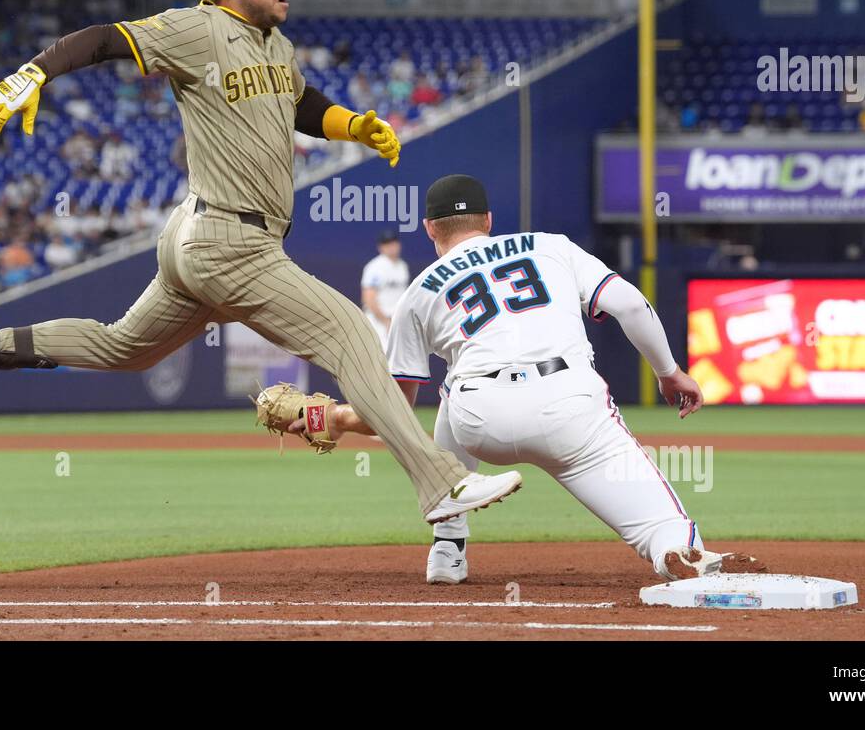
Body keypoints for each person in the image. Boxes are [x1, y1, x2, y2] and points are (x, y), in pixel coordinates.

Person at [0, 0, 521, 526]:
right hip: (231, 239)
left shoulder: (277, 44)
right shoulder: (197, 29)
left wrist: (349, 125)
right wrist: (35, 71)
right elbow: (103, 38)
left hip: (201, 239)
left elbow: (299, 102)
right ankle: (440, 483)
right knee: (351, 335)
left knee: (122, 347)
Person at [290, 174, 764, 584]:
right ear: (489, 221)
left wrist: (336, 417)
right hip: (570, 409)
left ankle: (447, 546)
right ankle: (671, 548)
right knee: (662, 528)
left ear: (430, 228)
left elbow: (392, 413)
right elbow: (631, 305)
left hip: (481, 420)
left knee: (454, 386)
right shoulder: (550, 245)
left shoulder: (419, 291)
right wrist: (669, 373)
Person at [360, 230, 409, 343]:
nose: (391, 247)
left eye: (393, 243)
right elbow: (369, 299)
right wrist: (385, 321)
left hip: (396, 320)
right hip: (378, 322)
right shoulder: (375, 267)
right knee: (380, 357)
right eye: (387, 244)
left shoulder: (402, 266)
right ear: (381, 247)